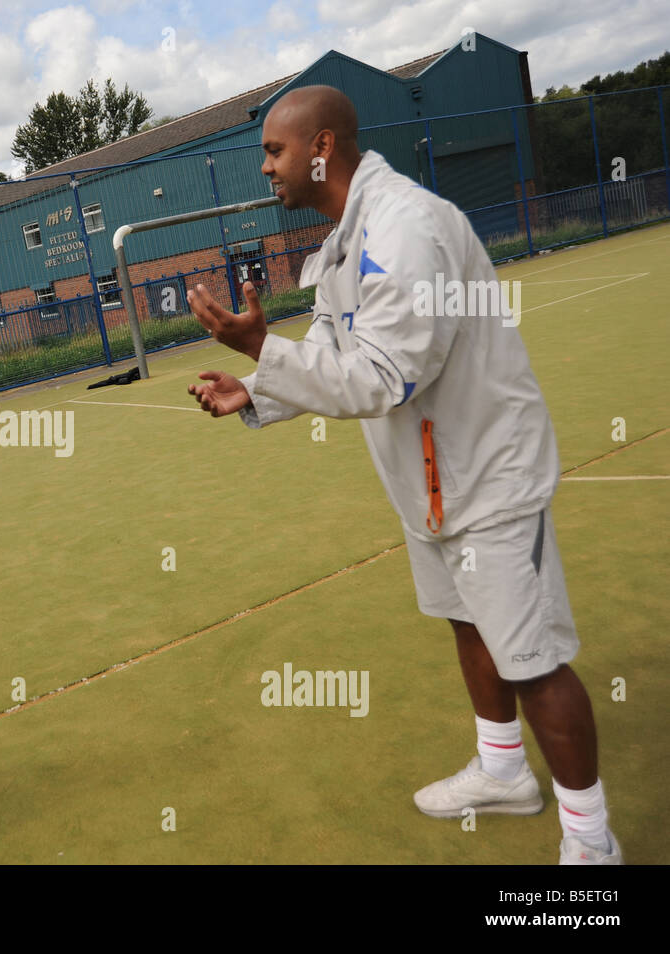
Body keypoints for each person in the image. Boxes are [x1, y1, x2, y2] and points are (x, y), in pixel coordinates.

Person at [187, 85, 620, 864]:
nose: (265, 170)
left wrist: (259, 351)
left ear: (322, 148)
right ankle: (502, 770)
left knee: (534, 661)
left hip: (487, 477)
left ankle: (592, 845)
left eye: (274, 152)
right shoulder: (343, 242)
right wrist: (257, 387)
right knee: (468, 620)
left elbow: (384, 378)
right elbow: (331, 357)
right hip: (432, 485)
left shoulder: (407, 227)